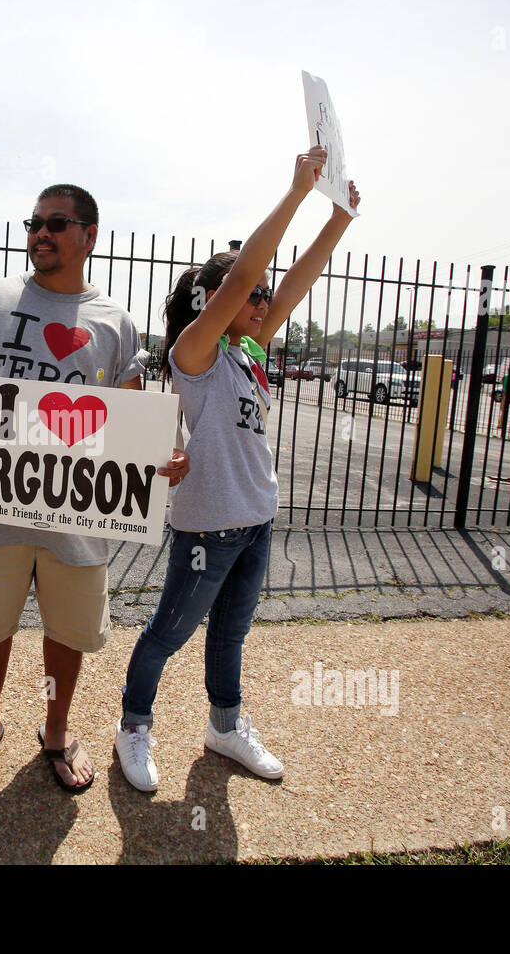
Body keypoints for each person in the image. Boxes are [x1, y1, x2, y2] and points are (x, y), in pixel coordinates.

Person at [0, 184, 190, 793]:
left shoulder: (114, 321)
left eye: (56, 223)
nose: (40, 232)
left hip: (77, 517)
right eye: (34, 221)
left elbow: (131, 422)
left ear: (89, 235)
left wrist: (160, 458)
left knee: (68, 630)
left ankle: (57, 730)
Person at [113, 147, 360, 791]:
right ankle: (133, 725)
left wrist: (339, 219)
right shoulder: (195, 351)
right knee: (168, 632)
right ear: (216, 302)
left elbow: (293, 282)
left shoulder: (247, 352)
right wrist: (295, 193)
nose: (264, 300)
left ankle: (225, 726)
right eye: (252, 295)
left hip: (256, 520)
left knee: (231, 635)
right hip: (207, 526)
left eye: (263, 296)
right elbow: (245, 273)